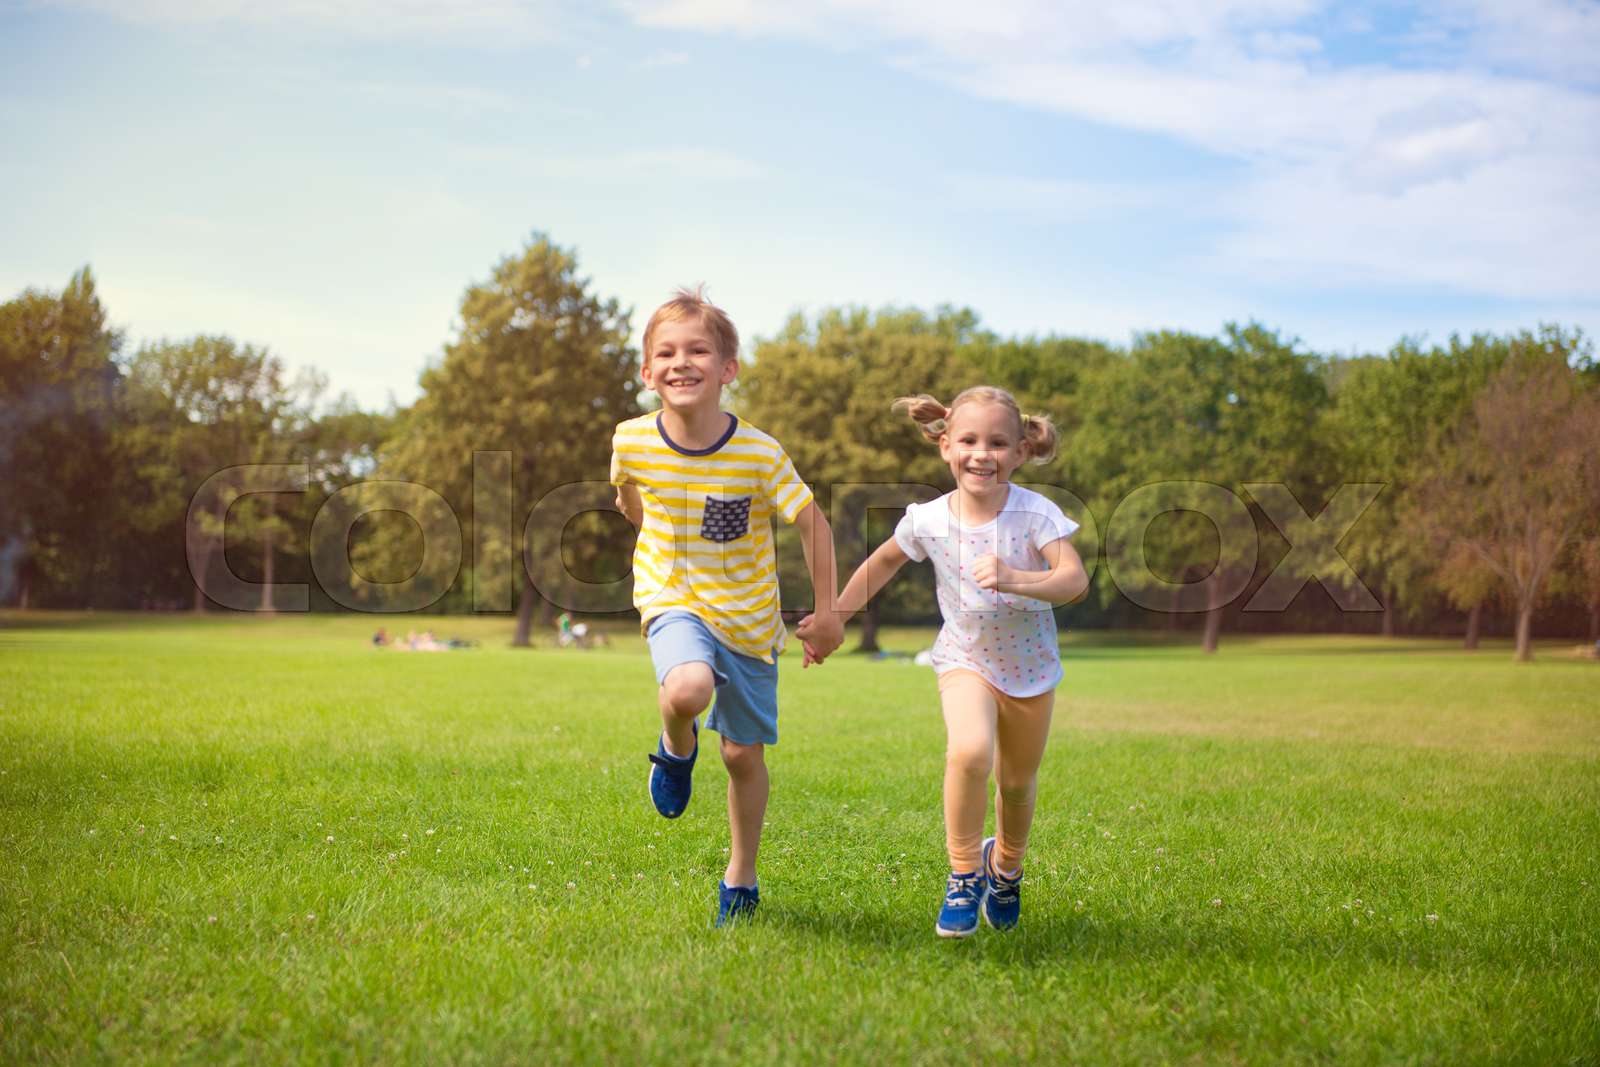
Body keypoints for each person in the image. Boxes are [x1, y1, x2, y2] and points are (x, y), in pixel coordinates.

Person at [799, 386, 1088, 938]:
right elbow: (881, 564)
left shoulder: (1035, 514)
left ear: (1022, 452)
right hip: (964, 659)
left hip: (1031, 669)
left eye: (999, 443)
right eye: (970, 440)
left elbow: (1074, 580)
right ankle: (962, 875)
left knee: (1018, 784)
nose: (983, 453)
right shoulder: (927, 519)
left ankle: (1004, 868)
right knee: (969, 752)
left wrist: (1017, 578)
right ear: (945, 446)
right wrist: (835, 615)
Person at [611, 286, 843, 926]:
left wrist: (828, 612)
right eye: (667, 352)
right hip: (671, 598)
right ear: (647, 372)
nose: (682, 362)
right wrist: (646, 532)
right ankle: (675, 744)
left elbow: (813, 524)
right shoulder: (630, 440)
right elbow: (628, 495)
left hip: (748, 621)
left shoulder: (760, 454)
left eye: (699, 350)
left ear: (728, 367)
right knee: (686, 688)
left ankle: (741, 875)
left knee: (743, 755)